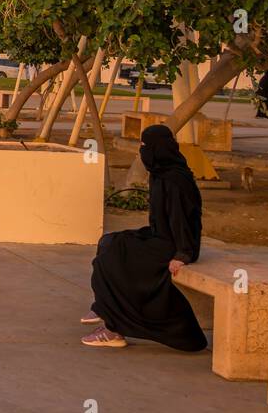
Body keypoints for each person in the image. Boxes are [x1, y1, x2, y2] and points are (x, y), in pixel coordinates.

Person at [83, 124, 208, 351]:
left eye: (144, 145)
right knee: (109, 243)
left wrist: (183, 255)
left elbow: (185, 220)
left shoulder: (175, 180)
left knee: (110, 259)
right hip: (160, 237)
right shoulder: (160, 173)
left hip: (175, 245)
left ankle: (112, 326)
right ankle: (104, 308)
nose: (141, 149)